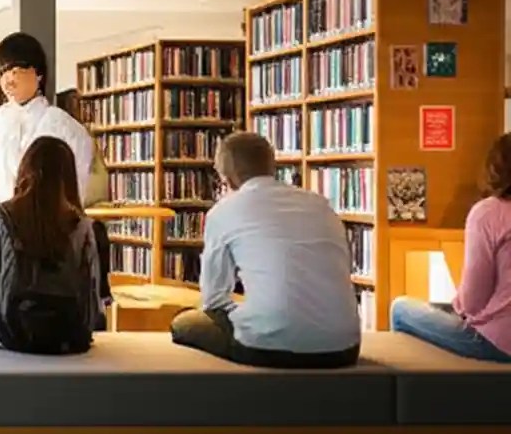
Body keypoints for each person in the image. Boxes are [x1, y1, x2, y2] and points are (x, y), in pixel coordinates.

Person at [169, 132, 361, 368]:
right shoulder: (320, 204)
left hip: (267, 347)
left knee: (185, 323)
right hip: (344, 347)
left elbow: (213, 299)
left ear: (226, 178)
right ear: (272, 165)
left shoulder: (224, 211)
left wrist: (243, 312)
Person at [0, 32, 111, 321]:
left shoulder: (65, 127)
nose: (9, 80)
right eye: (3, 72)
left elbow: (72, 189)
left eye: (17, 70)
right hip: (7, 227)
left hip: (54, 234)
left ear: (39, 74)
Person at [0, 137, 99, 354]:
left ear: (25, 172)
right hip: (66, 344)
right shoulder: (81, 227)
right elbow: (90, 306)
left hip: (8, 343)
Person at [390, 133, 511, 362]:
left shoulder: (488, 213)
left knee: (400, 308)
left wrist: (459, 306)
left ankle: (426, 391)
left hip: (497, 343)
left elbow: (473, 302)